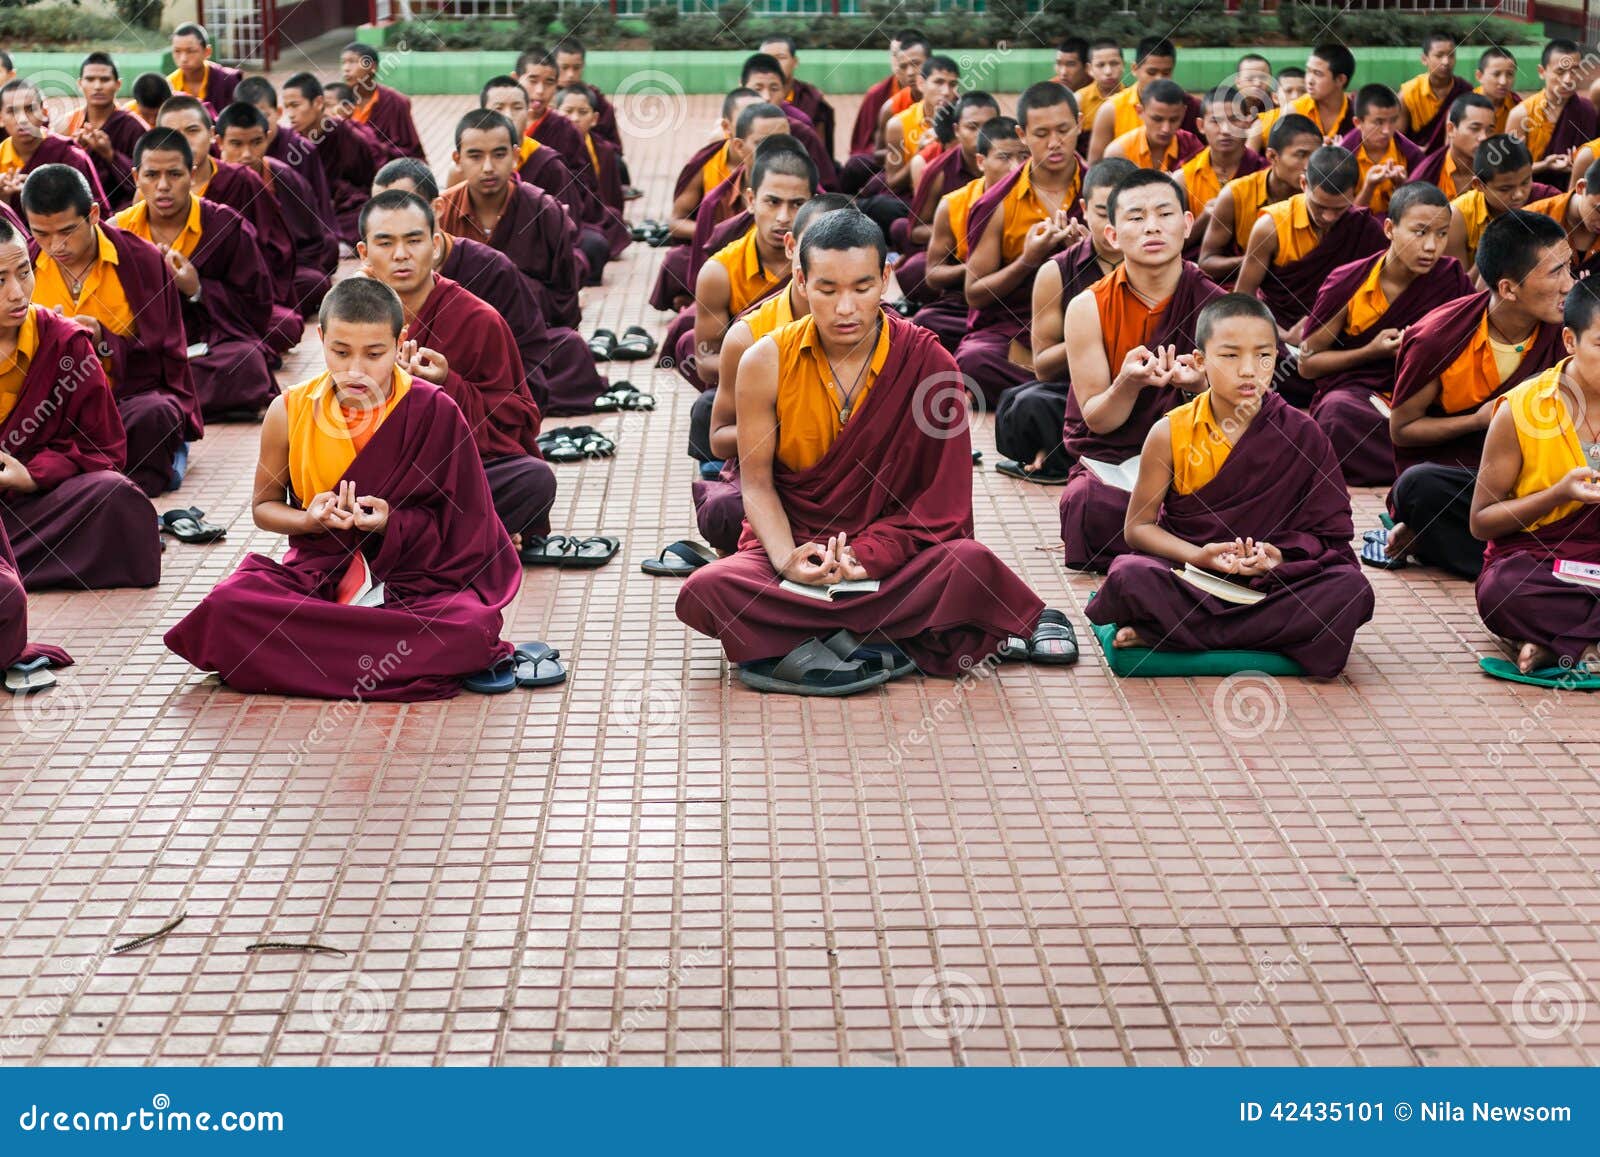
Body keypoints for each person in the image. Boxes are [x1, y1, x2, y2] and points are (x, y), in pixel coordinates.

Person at [677, 209, 1073, 693]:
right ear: (801, 281)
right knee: (708, 588)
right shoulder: (766, 360)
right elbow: (756, 484)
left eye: (862, 288)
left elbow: (942, 507)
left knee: (968, 564)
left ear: (886, 279)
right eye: (827, 290)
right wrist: (787, 560)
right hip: (793, 543)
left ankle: (808, 634)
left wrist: (866, 557)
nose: (846, 308)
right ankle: (888, 636)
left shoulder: (930, 362)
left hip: (891, 559)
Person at [164, 278, 531, 701]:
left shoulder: (434, 409)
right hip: (317, 578)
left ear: (400, 343)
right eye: (340, 352)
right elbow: (264, 508)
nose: (356, 370)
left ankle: (305, 658)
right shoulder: (290, 410)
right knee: (227, 608)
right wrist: (308, 519)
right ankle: (367, 653)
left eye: (374, 354)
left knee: (468, 628)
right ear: (320, 338)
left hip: (413, 581)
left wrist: (391, 524)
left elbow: (466, 527)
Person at [1086, 293, 1374, 676]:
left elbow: (1330, 536)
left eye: (1264, 355)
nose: (1249, 370)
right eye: (1231, 355)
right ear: (1201, 362)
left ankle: (1176, 634)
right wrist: (1198, 556)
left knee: (1350, 589)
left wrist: (1279, 558)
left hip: (1271, 585)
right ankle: (1258, 636)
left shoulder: (1304, 434)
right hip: (1192, 580)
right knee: (1129, 576)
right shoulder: (1170, 432)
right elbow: (1138, 529)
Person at [357, 190, 565, 563]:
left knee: (534, 480)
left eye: (414, 240)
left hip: (454, 474)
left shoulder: (478, 319)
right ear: (364, 254)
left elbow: (518, 418)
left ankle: (427, 538)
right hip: (379, 474)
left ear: (436, 245)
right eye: (385, 243)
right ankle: (475, 537)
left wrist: (447, 386)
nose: (401, 255)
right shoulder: (352, 316)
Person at [1370, 210, 1572, 577]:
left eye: (1569, 267)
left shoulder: (1572, 331)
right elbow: (1402, 429)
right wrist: (1476, 421)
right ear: (1509, 288)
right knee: (1420, 486)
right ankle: (1537, 562)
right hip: (1473, 478)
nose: (1569, 285)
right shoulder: (1439, 337)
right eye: (1556, 272)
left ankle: (1436, 541)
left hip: (1550, 475)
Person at [1057, 169, 1224, 571]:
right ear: (1113, 235)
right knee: (1085, 506)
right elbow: (1098, 420)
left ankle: (1164, 545)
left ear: (1187, 225)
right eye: (1135, 217)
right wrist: (1126, 384)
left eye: (1165, 214)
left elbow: (1246, 414)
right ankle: (1187, 549)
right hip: (1117, 465)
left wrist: (1199, 390)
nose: (1152, 226)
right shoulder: (1088, 307)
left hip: (1194, 462)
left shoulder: (1219, 308)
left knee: (1240, 495)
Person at [685, 193, 854, 558]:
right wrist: (795, 426)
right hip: (772, 478)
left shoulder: (891, 334)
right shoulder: (751, 334)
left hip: (854, 484)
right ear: (793, 249)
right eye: (820, 248)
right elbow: (719, 437)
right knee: (725, 512)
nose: (833, 265)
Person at [372, 158, 609, 415]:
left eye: (404, 205)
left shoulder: (488, 267)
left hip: (481, 389)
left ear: (437, 208)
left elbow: (526, 347)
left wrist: (447, 381)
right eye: (380, 208)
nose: (390, 217)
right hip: (398, 407)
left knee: (567, 348)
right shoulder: (367, 285)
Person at [0, 211, 160, 590]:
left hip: (32, 506)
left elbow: (104, 448)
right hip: (26, 529)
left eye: (24, 271)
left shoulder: (64, 343)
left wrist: (33, 475)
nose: (18, 293)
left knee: (115, 496)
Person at [23, 163, 202, 498]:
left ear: (92, 214)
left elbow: (166, 358)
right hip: (51, 411)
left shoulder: (140, 260)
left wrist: (105, 342)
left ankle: (84, 480)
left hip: (123, 400)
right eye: (41, 234)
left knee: (156, 414)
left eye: (65, 231)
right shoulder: (24, 269)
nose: (54, 246)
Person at [1298, 181, 1471, 486]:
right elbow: (1307, 363)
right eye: (1420, 232)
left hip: (1425, 396)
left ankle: (1428, 461)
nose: (1431, 246)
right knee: (1337, 416)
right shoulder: (1348, 282)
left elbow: (1469, 345)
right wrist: (1372, 352)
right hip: (1363, 396)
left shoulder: (1451, 278)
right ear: (1390, 229)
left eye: (1441, 234)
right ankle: (1430, 464)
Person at [1470, 278, 1600, 673]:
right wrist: (1559, 495)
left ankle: (1563, 646)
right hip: (1546, 567)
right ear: (1569, 341)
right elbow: (1481, 522)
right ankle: (1584, 643)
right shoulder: (1524, 408)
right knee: (1503, 590)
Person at [114, 128, 277, 421]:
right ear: (136, 177)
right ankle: (176, 402)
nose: (163, 186)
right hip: (146, 352)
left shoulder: (223, 224)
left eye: (174, 175)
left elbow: (258, 308)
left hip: (208, 345)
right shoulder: (118, 232)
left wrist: (197, 289)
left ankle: (163, 403)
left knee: (247, 363)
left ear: (192, 173)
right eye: (152, 176)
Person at [992, 157, 1133, 482]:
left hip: (1143, 391)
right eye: (1102, 212)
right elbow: (1043, 366)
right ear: (1083, 208)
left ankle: (1058, 455)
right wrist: (1094, 333)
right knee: (1025, 404)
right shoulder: (1057, 271)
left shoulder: (1156, 262)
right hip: (1078, 391)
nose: (1112, 225)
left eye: (1125, 214)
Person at [959, 82, 1087, 407]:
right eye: (1041, 133)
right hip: (1018, 334)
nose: (1055, 143)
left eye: (1063, 130)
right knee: (973, 362)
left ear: (1080, 124)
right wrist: (1028, 260)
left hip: (1090, 327)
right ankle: (1069, 389)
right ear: (1022, 134)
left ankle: (1044, 395)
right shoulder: (1000, 202)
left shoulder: (1100, 192)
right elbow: (974, 293)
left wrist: (1091, 250)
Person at [156, 95, 300, 350]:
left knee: (285, 326)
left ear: (212, 135)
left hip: (228, 301)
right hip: (166, 311)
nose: (182, 142)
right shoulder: (149, 192)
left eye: (192, 131)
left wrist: (201, 286)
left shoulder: (241, 181)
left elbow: (275, 247)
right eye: (171, 134)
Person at [680, 138, 818, 393]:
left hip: (818, 380)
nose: (783, 217)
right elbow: (705, 362)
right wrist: (776, 369)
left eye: (797, 204)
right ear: (751, 199)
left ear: (813, 203)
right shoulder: (720, 272)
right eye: (773, 202)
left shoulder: (825, 261)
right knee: (705, 406)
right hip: (749, 386)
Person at [1234, 144, 1386, 360]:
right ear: (1304, 183)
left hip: (1339, 338)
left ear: (1354, 193)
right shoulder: (1271, 227)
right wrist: (1283, 335)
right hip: (1277, 334)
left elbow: (1376, 292)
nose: (1328, 217)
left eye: (1339, 208)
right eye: (1320, 206)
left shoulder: (1365, 228)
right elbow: (1242, 299)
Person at [435, 109, 583, 330]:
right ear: (458, 159)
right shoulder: (441, 212)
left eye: (499, 154)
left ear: (515, 156)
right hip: (461, 340)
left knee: (572, 348)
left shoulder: (546, 212)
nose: (488, 167)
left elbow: (565, 300)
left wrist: (519, 293)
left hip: (530, 335)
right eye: (475, 156)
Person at [477, 74, 614, 281]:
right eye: (498, 108)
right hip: (481, 256)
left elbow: (567, 227)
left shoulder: (547, 163)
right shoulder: (467, 162)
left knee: (591, 248)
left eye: (517, 107)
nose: (508, 115)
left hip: (533, 260)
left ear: (528, 111)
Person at [912, 116, 1030, 352]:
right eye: (1004, 157)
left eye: (1024, 157)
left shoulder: (1036, 200)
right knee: (927, 321)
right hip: (969, 302)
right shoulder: (955, 204)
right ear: (980, 161)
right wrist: (979, 269)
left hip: (1024, 305)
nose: (1015, 167)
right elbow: (933, 274)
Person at [215, 101, 338, 315]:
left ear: (268, 137)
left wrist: (279, 270)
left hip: (277, 274)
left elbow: (311, 241)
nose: (247, 154)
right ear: (219, 142)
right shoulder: (210, 181)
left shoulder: (285, 178)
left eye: (256, 142)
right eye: (236, 144)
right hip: (229, 279)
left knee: (315, 282)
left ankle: (258, 309)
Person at [1198, 113, 1321, 287]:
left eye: (1315, 156)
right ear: (1272, 156)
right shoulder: (1236, 194)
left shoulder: (1321, 198)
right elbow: (1207, 262)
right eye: (1301, 155)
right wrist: (1254, 260)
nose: (1310, 165)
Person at [281, 73, 382, 248]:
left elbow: (369, 179)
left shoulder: (344, 134)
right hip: (311, 208)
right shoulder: (292, 142)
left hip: (345, 208)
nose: (290, 114)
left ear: (318, 103)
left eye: (295, 106)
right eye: (287, 107)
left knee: (368, 215)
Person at [235, 75, 338, 242]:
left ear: (278, 113)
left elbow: (319, 209)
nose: (258, 126)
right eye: (249, 119)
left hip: (296, 239)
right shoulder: (230, 152)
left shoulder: (301, 149)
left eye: (264, 116)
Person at [0, 80, 110, 217]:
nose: (22, 119)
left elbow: (96, 213)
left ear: (44, 112)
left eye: (30, 109)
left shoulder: (69, 155)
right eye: (12, 111)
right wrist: (3, 200)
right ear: (1, 118)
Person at [1178, 84, 1263, 258]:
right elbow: (1172, 245)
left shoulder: (1264, 172)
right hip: (1197, 275)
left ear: (1248, 122)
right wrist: (1204, 219)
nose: (1225, 130)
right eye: (1216, 121)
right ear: (1201, 126)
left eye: (1234, 120)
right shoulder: (1184, 178)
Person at [1446, 134, 1541, 278]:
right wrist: (1492, 248)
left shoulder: (1543, 199)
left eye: (1525, 182)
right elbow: (1459, 290)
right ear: (1478, 185)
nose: (1519, 195)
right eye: (1505, 189)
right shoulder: (1458, 217)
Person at [1087, 37, 1192, 165]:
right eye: (1151, 72)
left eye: (1166, 73)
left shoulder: (1187, 104)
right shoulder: (1111, 109)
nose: (1159, 79)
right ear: (1134, 69)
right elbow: (1095, 167)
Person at [66, 52, 145, 210]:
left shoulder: (133, 126)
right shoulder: (68, 123)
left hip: (122, 213)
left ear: (118, 84)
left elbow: (146, 180)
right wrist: (75, 151)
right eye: (90, 79)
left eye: (105, 80)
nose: (97, 86)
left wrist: (110, 155)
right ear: (80, 84)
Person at [1506, 39, 1594, 180]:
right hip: (1532, 195)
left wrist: (1581, 162)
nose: (1568, 79)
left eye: (1575, 71)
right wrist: (1545, 165)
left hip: (1578, 194)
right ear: (1542, 72)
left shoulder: (1589, 111)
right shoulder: (1521, 115)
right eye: (1560, 71)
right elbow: (1509, 170)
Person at [1252, 43, 1358, 148]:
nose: (1309, 81)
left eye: (1318, 74)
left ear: (1340, 80)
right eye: (1308, 71)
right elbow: (1257, 134)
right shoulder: (1294, 111)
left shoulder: (1357, 114)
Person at [1341, 84, 1421, 215]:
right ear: (1358, 123)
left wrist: (1401, 186)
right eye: (1378, 122)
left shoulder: (1411, 154)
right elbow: (1341, 218)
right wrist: (1369, 187)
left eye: (1393, 120)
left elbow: (1419, 214)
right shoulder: (1342, 156)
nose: (1387, 131)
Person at [341, 41, 425, 162]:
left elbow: (411, 150)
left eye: (353, 61)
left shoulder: (395, 102)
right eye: (343, 62)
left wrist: (378, 149)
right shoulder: (337, 101)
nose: (346, 68)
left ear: (372, 67)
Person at [759, 34, 837, 160]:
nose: (773, 64)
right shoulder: (750, 99)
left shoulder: (811, 98)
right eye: (767, 59)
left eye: (781, 57)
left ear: (795, 62)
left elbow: (819, 152)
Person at [1103, 79, 1202, 172]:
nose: (1166, 129)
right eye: (1157, 119)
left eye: (1174, 120)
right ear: (1140, 111)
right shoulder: (1120, 152)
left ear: (1184, 112)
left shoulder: (1191, 146)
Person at [1410, 92, 1496, 199]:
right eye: (1475, 128)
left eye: (1489, 130)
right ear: (1451, 129)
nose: (1484, 137)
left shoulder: (1499, 171)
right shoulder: (1427, 175)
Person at [1398, 31, 1472, 153]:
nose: (1446, 62)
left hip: (1454, 159)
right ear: (1424, 59)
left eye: (1451, 55)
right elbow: (1397, 138)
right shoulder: (1408, 93)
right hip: (1416, 160)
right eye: (1439, 56)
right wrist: (1416, 151)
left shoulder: (1465, 91)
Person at [167, 22, 240, 114]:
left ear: (207, 51)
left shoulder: (229, 79)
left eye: (190, 51)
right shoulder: (170, 85)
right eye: (177, 51)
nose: (183, 59)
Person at [1074, 39, 1125, 157]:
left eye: (1114, 63)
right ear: (1089, 69)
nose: (1108, 71)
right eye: (1100, 65)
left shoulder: (1132, 98)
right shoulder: (1079, 100)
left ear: (1123, 65)